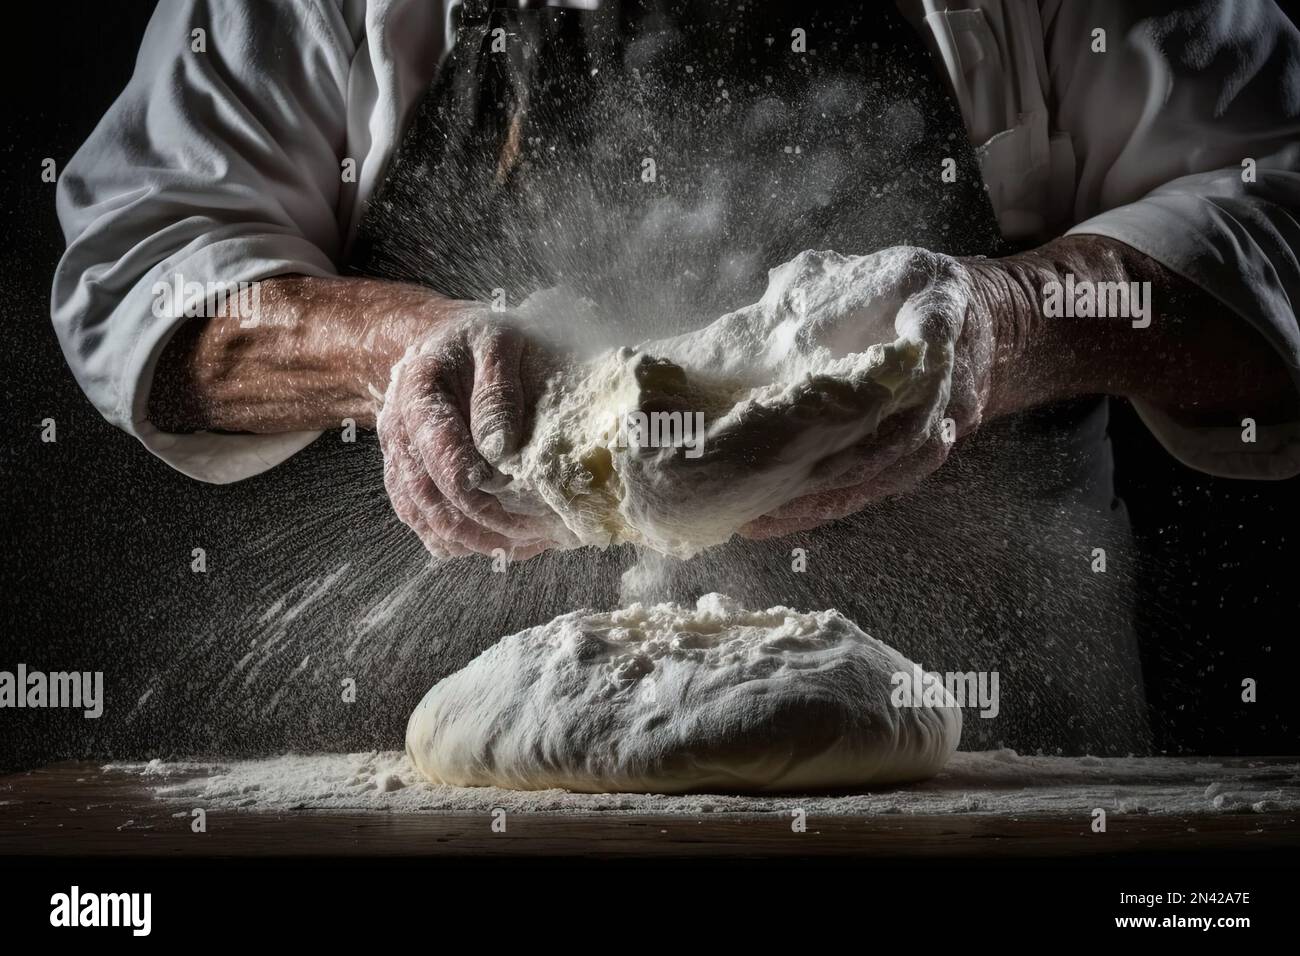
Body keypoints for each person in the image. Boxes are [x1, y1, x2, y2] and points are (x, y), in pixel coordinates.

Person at [51, 0, 1300, 751]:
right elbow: (143, 259)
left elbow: (1274, 191)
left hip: (1008, 762)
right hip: (436, 795)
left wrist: (1003, 321)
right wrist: (401, 351)